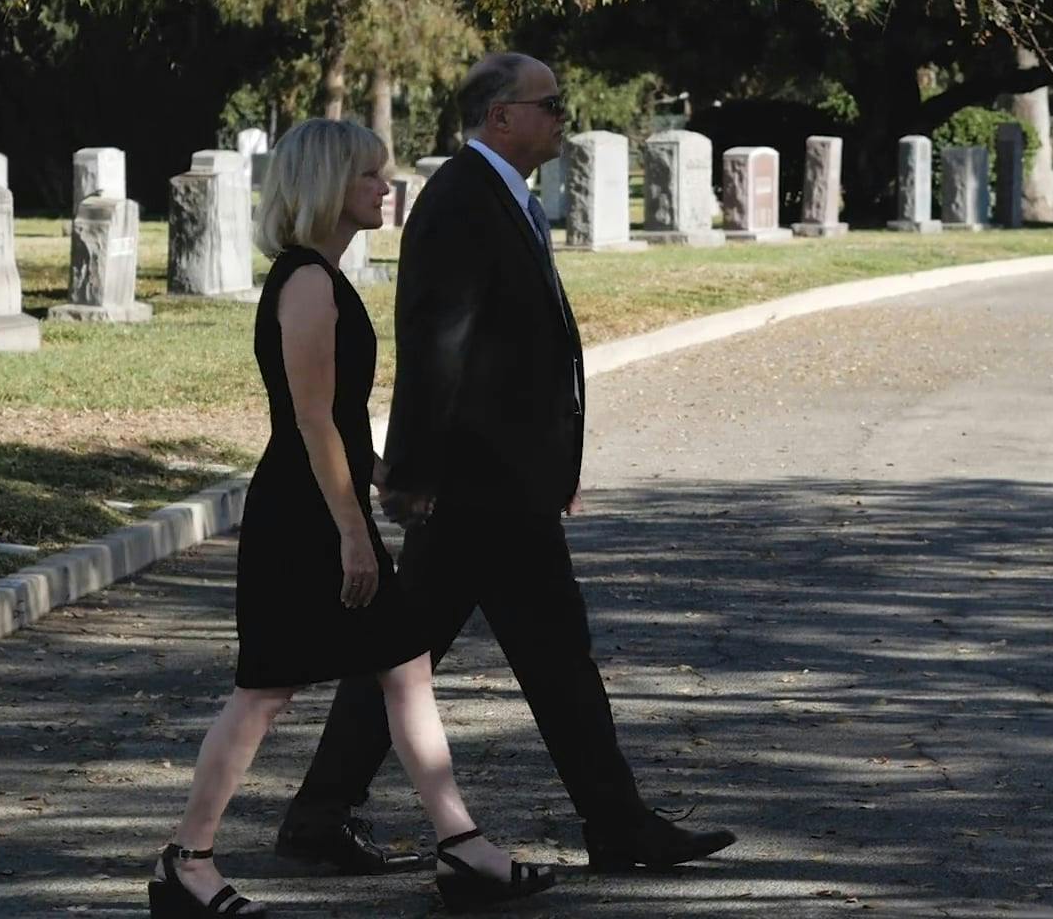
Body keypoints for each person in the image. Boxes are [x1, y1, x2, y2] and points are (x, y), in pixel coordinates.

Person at [273, 53, 737, 876]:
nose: (562, 115)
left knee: (455, 654)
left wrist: (554, 464)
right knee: (530, 659)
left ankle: (322, 818)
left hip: (501, 484)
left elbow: (517, 354)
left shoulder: (502, 198)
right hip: (475, 489)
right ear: (499, 118)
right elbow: (435, 348)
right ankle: (616, 824)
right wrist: (411, 475)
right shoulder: (459, 201)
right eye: (548, 104)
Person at [147, 119, 556, 917]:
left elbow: (333, 415)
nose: (385, 187)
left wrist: (387, 479)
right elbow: (309, 420)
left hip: (323, 499)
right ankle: (186, 860)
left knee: (407, 670)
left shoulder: (324, 278)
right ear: (332, 188)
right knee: (264, 692)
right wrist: (351, 530)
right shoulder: (305, 282)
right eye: (371, 175)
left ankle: (461, 846)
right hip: (300, 516)